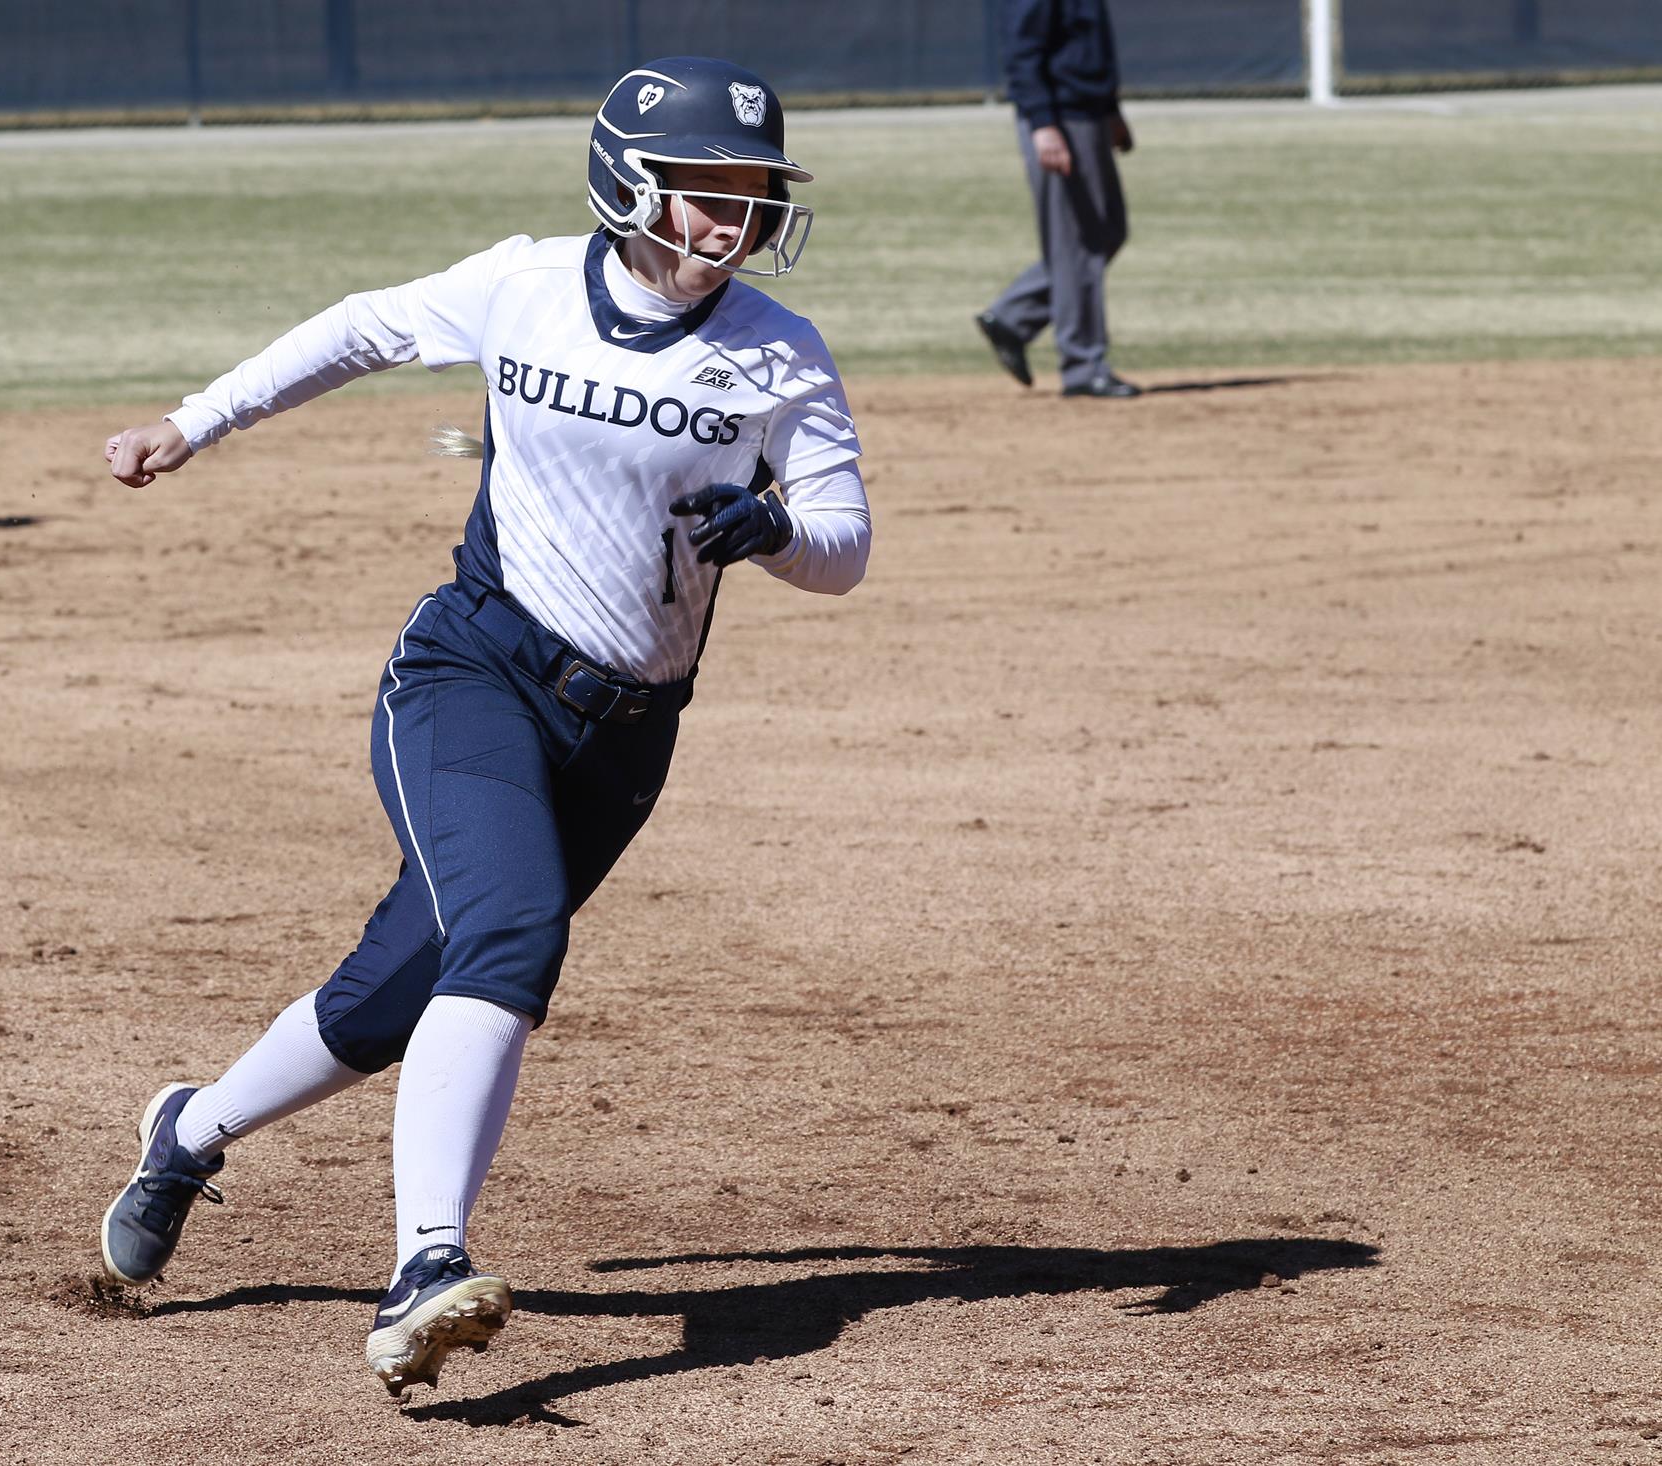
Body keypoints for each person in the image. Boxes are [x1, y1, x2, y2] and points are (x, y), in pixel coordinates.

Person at [96, 56, 870, 1398]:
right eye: (705, 190)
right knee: (511, 926)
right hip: (472, 671)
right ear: (627, 186)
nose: (732, 217)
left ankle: (189, 1126)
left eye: (752, 191)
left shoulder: (778, 351)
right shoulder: (525, 285)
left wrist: (783, 531)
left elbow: (847, 547)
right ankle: (425, 1264)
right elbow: (360, 328)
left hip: (628, 736)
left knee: (396, 990)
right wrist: (193, 422)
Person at [975, 0, 1140, 399]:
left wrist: (1110, 110)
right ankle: (1083, 364)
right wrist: (1043, 124)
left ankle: (1014, 317)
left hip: (1088, 113)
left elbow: (1087, 45)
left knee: (1105, 232)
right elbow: (1022, 49)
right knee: (1079, 243)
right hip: (1060, 118)